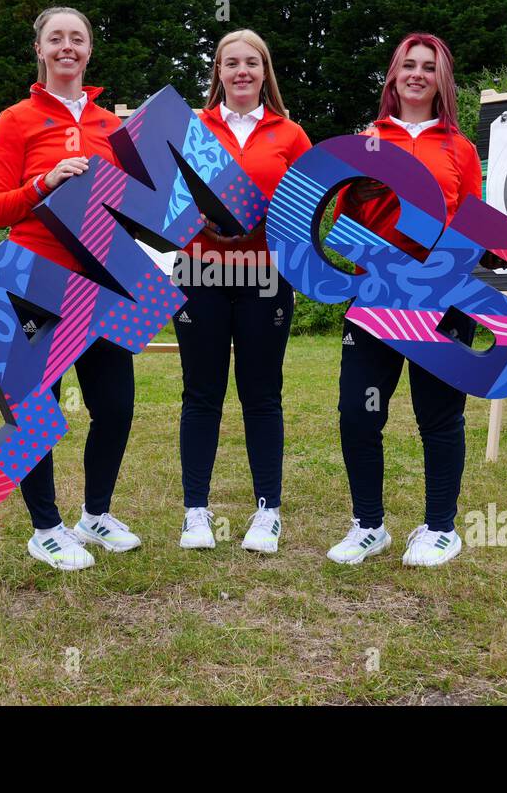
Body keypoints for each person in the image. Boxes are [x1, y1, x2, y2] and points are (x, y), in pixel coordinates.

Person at [0, 6, 140, 570]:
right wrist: (44, 182)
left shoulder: (114, 128)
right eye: (56, 38)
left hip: (103, 281)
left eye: (77, 38)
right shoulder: (15, 120)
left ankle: (94, 516)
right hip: (34, 278)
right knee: (36, 409)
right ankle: (45, 527)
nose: (67, 47)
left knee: (115, 406)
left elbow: (133, 207)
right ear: (40, 50)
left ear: (90, 50)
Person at [325, 33, 483, 568]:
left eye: (428, 67)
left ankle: (440, 528)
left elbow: (474, 227)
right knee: (357, 413)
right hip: (376, 295)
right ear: (393, 76)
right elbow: (341, 218)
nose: (417, 74)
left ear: (443, 80)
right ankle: (368, 526)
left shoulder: (459, 148)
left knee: (439, 417)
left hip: (443, 297)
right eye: (407, 65)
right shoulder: (365, 141)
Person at [174, 29, 312, 554]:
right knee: (201, 395)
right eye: (230, 64)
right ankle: (195, 513)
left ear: (264, 70)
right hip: (200, 276)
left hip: (263, 278)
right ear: (218, 73)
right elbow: (166, 202)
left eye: (251, 63)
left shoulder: (290, 134)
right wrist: (201, 221)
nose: (241, 72)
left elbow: (308, 206)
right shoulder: (193, 128)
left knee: (261, 395)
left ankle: (267, 513)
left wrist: (266, 220)